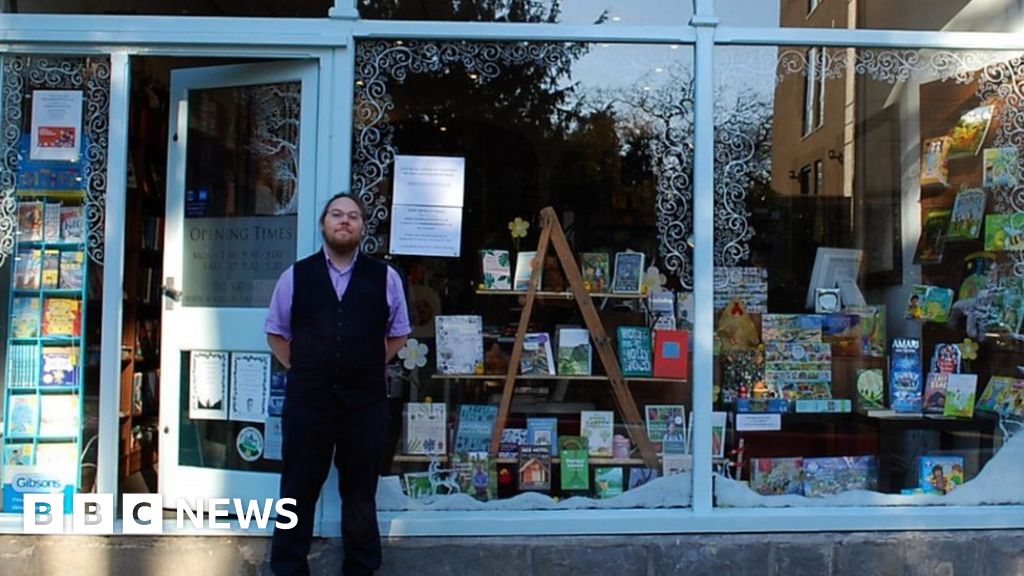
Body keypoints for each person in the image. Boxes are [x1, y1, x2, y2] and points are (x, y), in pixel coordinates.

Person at [265, 192, 410, 576]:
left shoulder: (386, 278)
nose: (344, 220)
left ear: (363, 227)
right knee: (296, 492)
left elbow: (399, 333)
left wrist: (367, 363)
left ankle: (361, 569)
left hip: (364, 404)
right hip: (308, 402)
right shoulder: (295, 276)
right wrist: (302, 366)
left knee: (360, 494)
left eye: (353, 216)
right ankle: (287, 569)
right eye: (336, 214)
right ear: (323, 224)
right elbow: (276, 332)